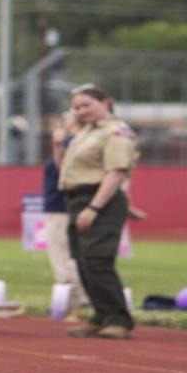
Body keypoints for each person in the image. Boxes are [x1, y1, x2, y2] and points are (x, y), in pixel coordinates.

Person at [59, 86, 139, 340]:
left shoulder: (115, 131)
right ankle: (101, 314)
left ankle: (118, 318)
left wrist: (94, 207)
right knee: (82, 261)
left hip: (100, 198)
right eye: (76, 108)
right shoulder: (86, 132)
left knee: (98, 260)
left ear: (105, 102)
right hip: (76, 198)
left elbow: (116, 172)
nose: (81, 111)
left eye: (86, 105)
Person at [42, 113, 85, 314]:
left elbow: (65, 172)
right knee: (70, 256)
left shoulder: (72, 142)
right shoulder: (79, 141)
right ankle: (76, 300)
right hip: (62, 207)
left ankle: (73, 302)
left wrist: (58, 146)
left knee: (63, 259)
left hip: (61, 209)